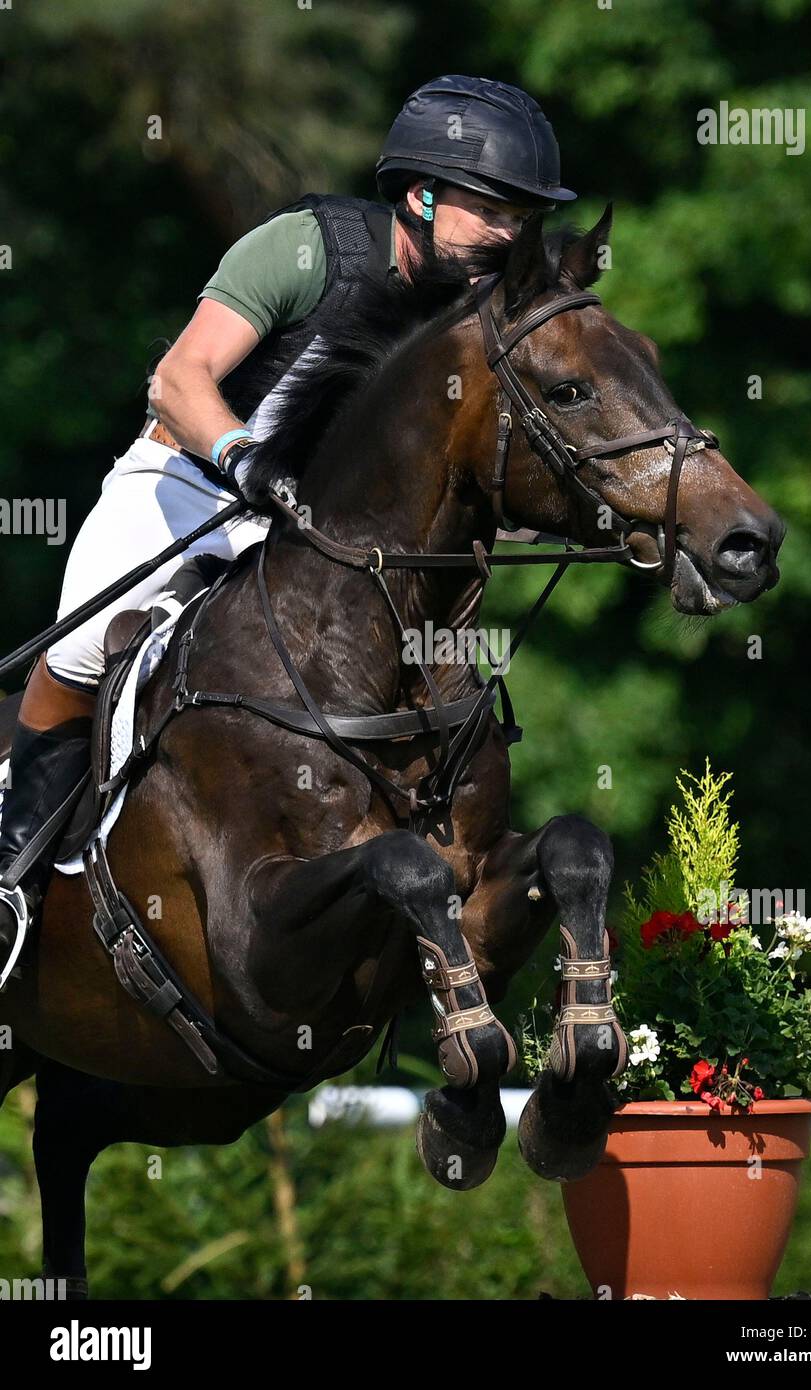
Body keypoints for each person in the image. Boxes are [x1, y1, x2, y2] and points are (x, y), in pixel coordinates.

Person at [0, 74, 576, 988]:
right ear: (420, 196)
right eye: (493, 212)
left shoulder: (480, 307)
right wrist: (243, 460)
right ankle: (14, 874)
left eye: (522, 219)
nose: (509, 238)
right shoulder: (308, 248)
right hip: (191, 489)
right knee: (75, 654)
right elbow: (178, 380)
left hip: (327, 537)